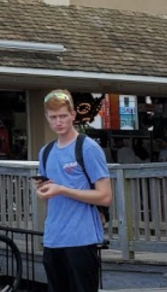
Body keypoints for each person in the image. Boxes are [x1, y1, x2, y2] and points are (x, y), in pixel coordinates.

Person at [37, 89, 112, 292]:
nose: (58, 122)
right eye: (53, 117)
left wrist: (62, 189)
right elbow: (48, 193)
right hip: (53, 237)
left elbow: (105, 196)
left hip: (82, 237)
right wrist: (44, 190)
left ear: (73, 115)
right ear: (47, 118)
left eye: (63, 116)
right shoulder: (46, 152)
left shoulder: (88, 147)